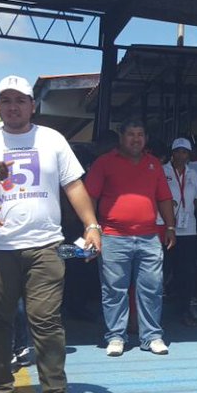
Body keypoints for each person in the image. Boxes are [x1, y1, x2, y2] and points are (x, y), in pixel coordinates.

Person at [0, 75, 102, 393]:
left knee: (47, 324)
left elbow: (73, 184)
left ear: (32, 105)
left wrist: (91, 225)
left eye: (20, 100)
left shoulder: (51, 139)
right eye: (6, 100)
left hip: (44, 246)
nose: (13, 106)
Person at [84, 120, 176, 357]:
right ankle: (116, 336)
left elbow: (164, 198)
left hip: (149, 236)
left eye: (140, 134)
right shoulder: (104, 163)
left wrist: (171, 226)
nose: (136, 139)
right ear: (121, 137)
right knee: (114, 290)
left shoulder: (154, 163)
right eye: (131, 134)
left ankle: (152, 336)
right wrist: (90, 227)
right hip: (113, 236)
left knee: (152, 289)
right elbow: (89, 197)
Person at [163, 137, 197, 327]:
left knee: (186, 272)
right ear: (172, 152)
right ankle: (157, 312)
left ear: (189, 155)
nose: (181, 155)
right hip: (165, 227)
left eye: (185, 152)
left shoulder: (193, 174)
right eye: (178, 151)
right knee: (162, 270)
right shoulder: (163, 171)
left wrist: (185, 213)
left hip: (188, 229)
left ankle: (184, 310)